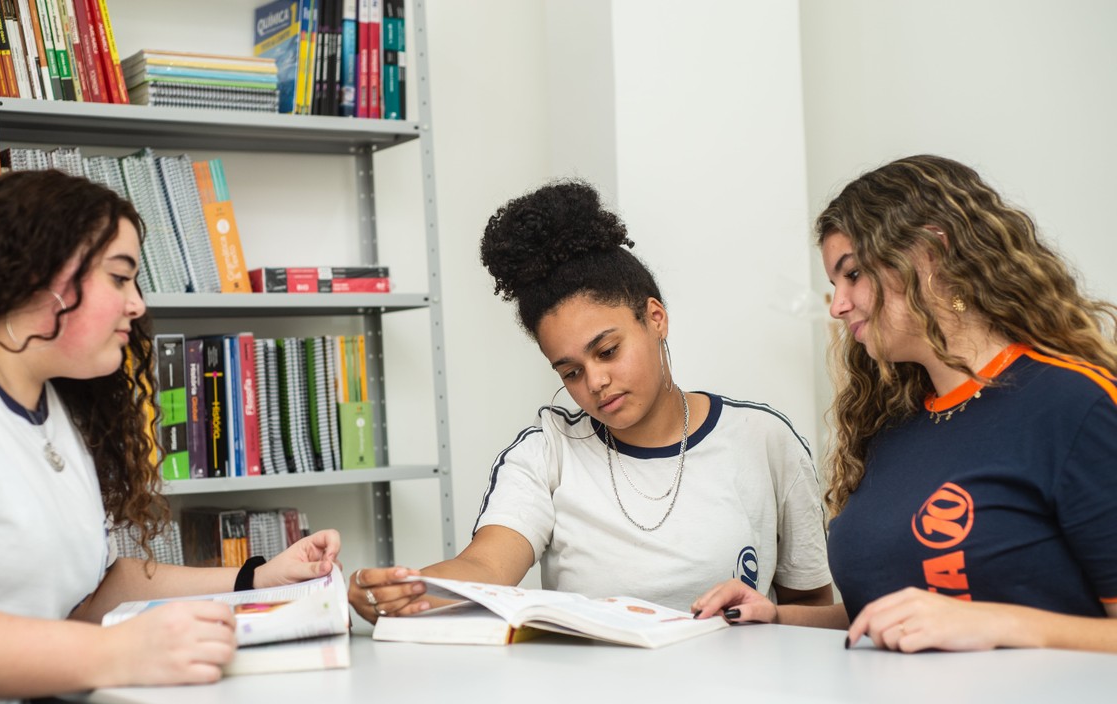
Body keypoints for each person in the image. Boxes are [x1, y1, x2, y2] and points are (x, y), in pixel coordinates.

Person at [0, 170, 342, 704]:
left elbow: (89, 597)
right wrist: (111, 655)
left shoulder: (49, 403)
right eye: (120, 277)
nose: (137, 304)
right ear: (39, 273)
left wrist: (257, 578)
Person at [349, 180, 831, 622]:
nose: (596, 382)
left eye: (608, 351)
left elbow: (810, 605)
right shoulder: (548, 453)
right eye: (571, 372)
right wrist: (405, 589)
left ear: (655, 318)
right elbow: (486, 567)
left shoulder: (763, 441)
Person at [694, 154, 1117, 653]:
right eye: (834, 285)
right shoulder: (891, 424)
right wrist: (777, 615)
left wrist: (998, 625)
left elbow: (964, 615)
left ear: (932, 253)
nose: (837, 305)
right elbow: (891, 611)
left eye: (853, 274)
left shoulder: (1074, 404)